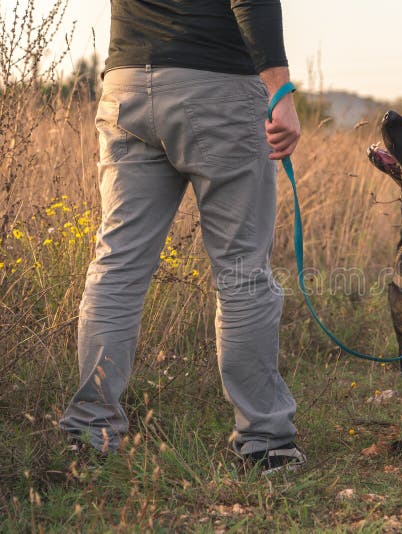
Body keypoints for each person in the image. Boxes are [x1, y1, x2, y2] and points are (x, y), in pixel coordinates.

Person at [59, 0, 305, 474]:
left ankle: (90, 432)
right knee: (241, 271)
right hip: (218, 85)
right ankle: (266, 443)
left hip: (126, 85)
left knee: (117, 266)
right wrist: (281, 90)